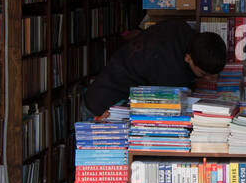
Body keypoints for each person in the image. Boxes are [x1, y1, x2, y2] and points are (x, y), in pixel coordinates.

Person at [77, 19, 227, 121]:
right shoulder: (171, 72)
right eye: (203, 74)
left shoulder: (180, 28)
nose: (210, 80)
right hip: (102, 108)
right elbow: (166, 116)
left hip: (106, 88)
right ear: (188, 58)